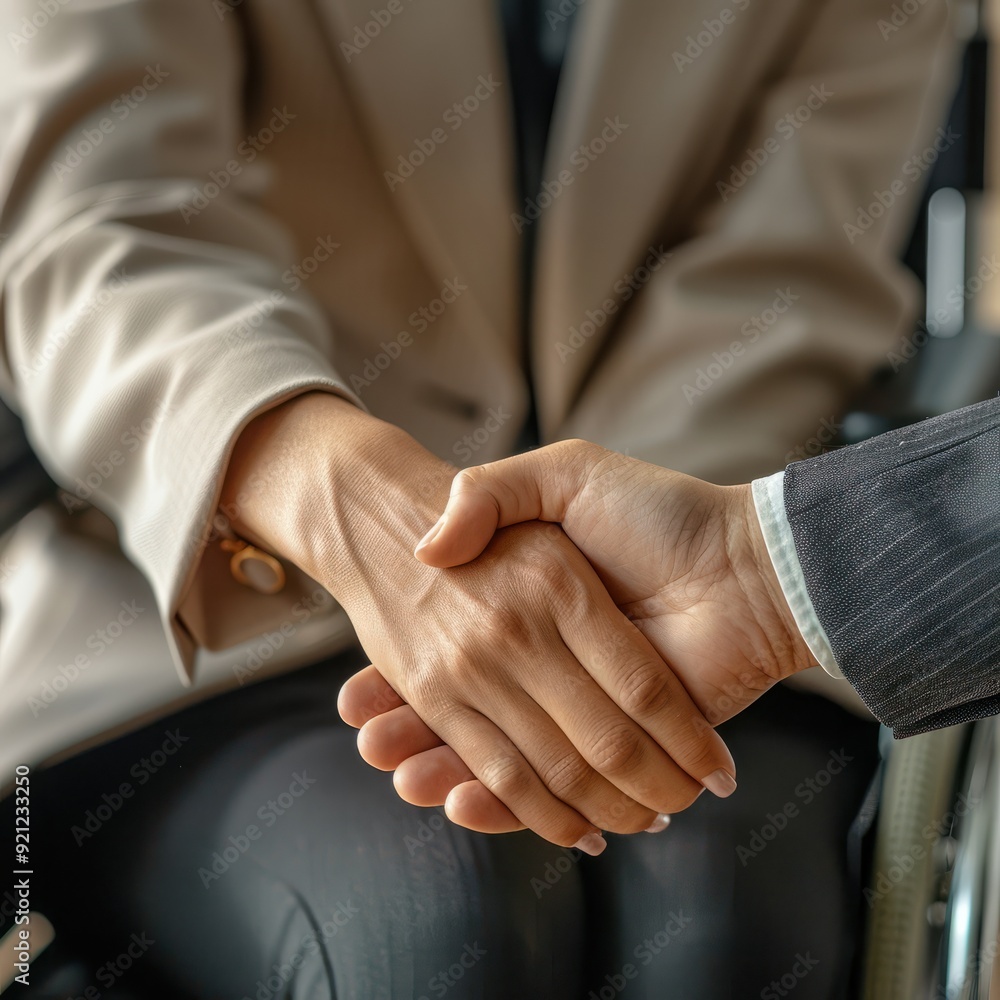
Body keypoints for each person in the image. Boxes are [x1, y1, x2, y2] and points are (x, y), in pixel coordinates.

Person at [0, 0, 960, 995]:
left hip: (679, 599)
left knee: (717, 932)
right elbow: (97, 220)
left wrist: (576, 573)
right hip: (223, 613)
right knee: (435, 935)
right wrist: (360, 507)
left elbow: (787, 276)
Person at [344, 396, 1000, 839]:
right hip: (300, 624)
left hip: (724, 445)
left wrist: (753, 575)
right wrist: (367, 513)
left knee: (711, 935)